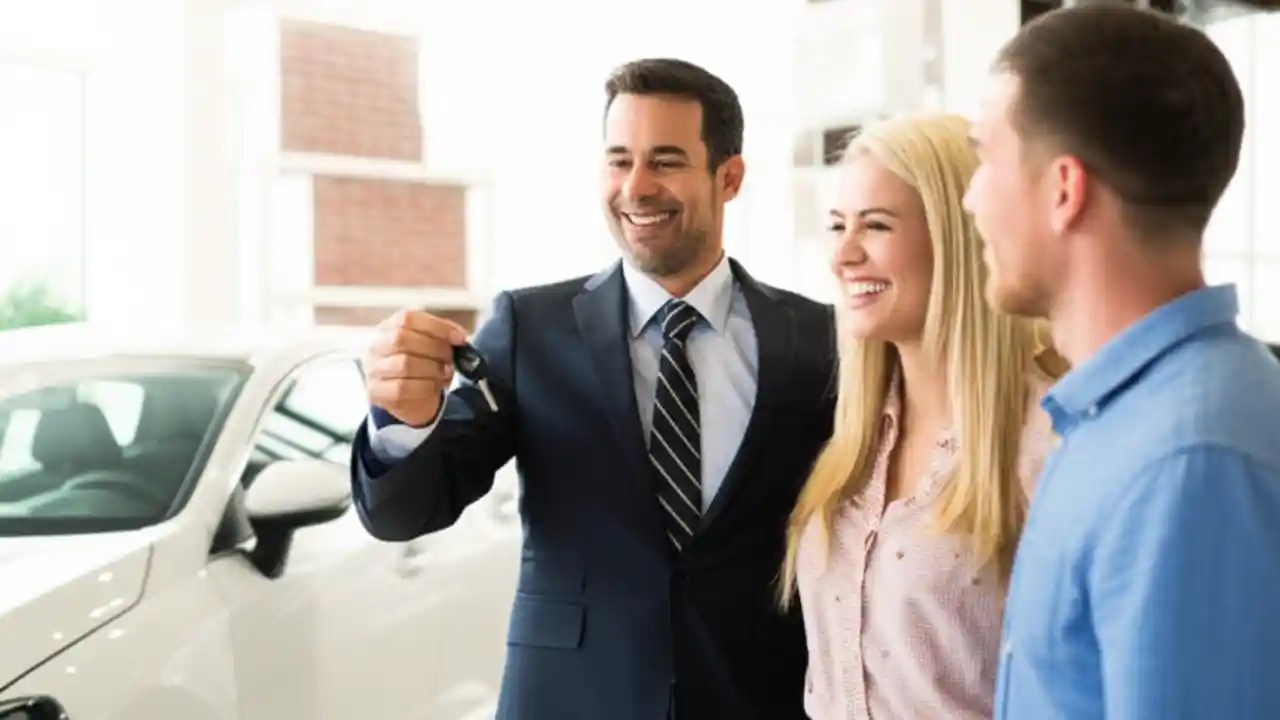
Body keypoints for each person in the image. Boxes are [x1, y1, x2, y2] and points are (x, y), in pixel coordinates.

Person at [350, 58, 837, 720]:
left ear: (729, 178)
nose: (636, 187)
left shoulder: (820, 339)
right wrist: (403, 424)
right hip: (570, 699)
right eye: (618, 161)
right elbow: (408, 513)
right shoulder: (529, 328)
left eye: (665, 161)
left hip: (755, 697)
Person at [964, 6, 1280, 718]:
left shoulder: (1191, 460)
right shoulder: (1120, 418)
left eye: (984, 156)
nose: (969, 196)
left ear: (1063, 190)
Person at [777, 113, 1061, 720]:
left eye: (876, 225)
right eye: (836, 227)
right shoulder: (854, 444)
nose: (844, 254)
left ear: (958, 241)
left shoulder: (1048, 446)